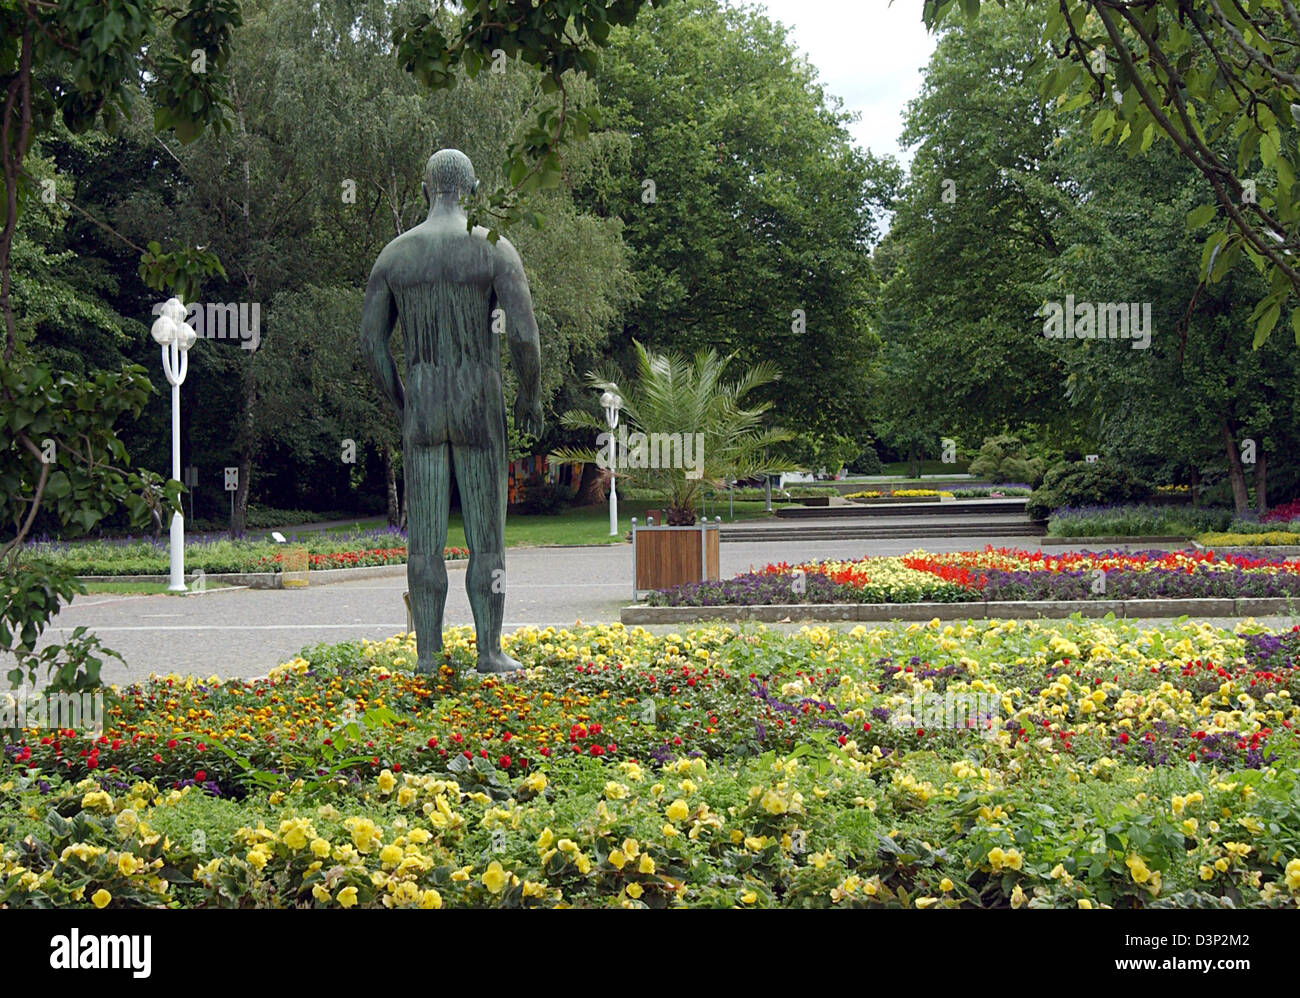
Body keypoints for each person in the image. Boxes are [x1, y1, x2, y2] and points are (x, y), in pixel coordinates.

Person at [361, 149, 544, 674]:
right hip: (478, 403)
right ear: (473, 189)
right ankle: (489, 651)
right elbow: (525, 337)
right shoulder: (494, 248)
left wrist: (401, 399)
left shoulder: (395, 255)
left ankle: (428, 654)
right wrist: (528, 394)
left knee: (425, 543)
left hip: (422, 403)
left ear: (425, 190)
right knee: (487, 537)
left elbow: (371, 345)